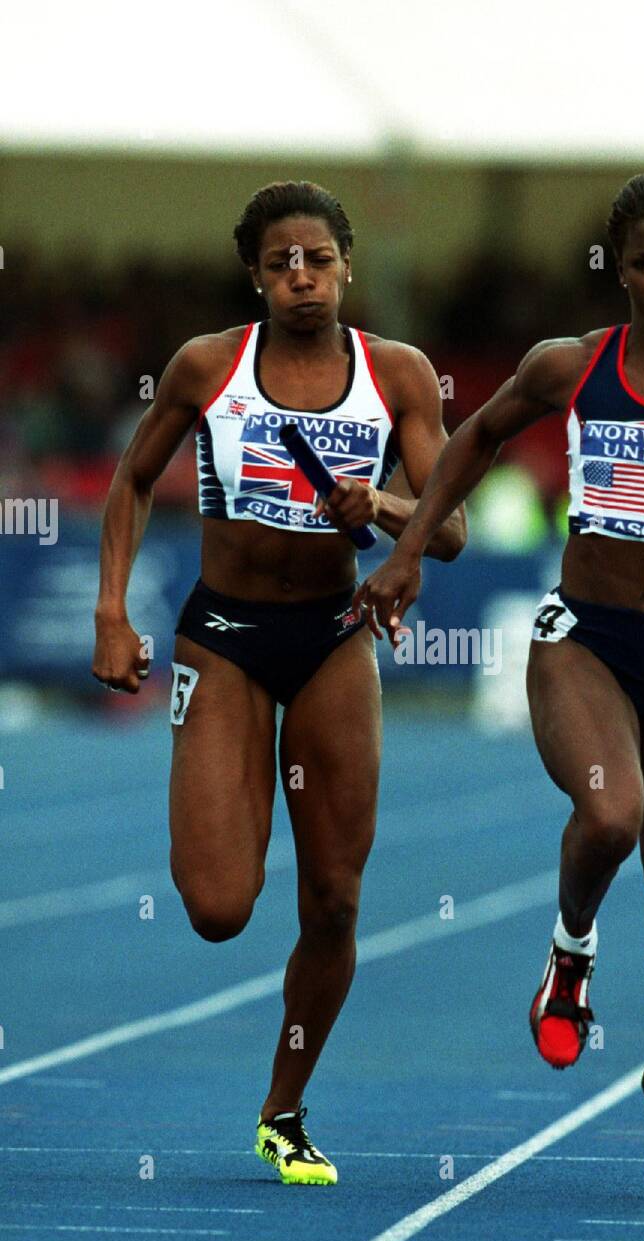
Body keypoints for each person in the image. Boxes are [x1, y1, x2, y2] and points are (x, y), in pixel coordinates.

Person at [353, 169, 644, 1200]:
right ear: (617, 270)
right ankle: (570, 953)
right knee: (610, 815)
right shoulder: (573, 365)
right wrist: (409, 548)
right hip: (582, 639)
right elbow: (474, 435)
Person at [92, 180, 465, 1185]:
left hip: (335, 637)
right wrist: (110, 612)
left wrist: (381, 504)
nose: (299, 277)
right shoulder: (209, 366)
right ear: (254, 276)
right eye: (278, 263)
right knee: (218, 905)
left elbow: (452, 524)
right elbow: (131, 480)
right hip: (224, 636)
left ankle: (284, 1110)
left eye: (316, 259)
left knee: (336, 899)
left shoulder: (397, 375)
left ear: (346, 266)